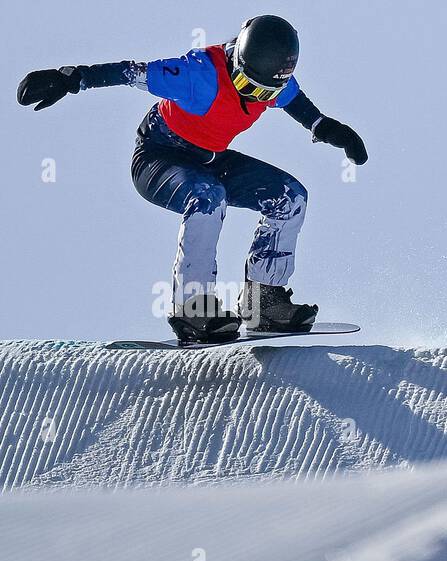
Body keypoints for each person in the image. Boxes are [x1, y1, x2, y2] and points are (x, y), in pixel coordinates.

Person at [16, 15, 368, 343]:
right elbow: (129, 72)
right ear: (236, 64)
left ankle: (264, 304)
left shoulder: (274, 83)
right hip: (159, 157)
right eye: (247, 85)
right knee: (207, 197)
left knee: (290, 197)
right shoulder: (198, 73)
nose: (254, 96)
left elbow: (298, 105)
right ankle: (193, 308)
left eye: (265, 93)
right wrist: (69, 78)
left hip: (210, 159)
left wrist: (329, 129)